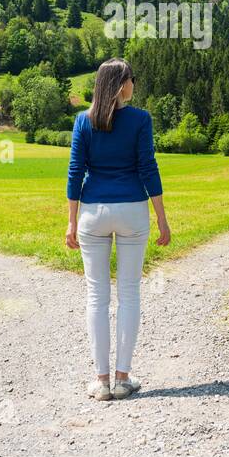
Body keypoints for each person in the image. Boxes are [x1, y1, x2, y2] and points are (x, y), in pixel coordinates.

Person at [65, 57, 171, 400]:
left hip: (93, 213)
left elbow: (74, 173)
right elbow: (148, 169)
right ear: (121, 84)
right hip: (132, 212)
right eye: (131, 79)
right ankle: (123, 378)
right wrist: (162, 218)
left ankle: (102, 382)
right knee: (128, 294)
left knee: (96, 296)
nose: (134, 84)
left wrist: (70, 222)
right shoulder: (141, 120)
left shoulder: (83, 121)